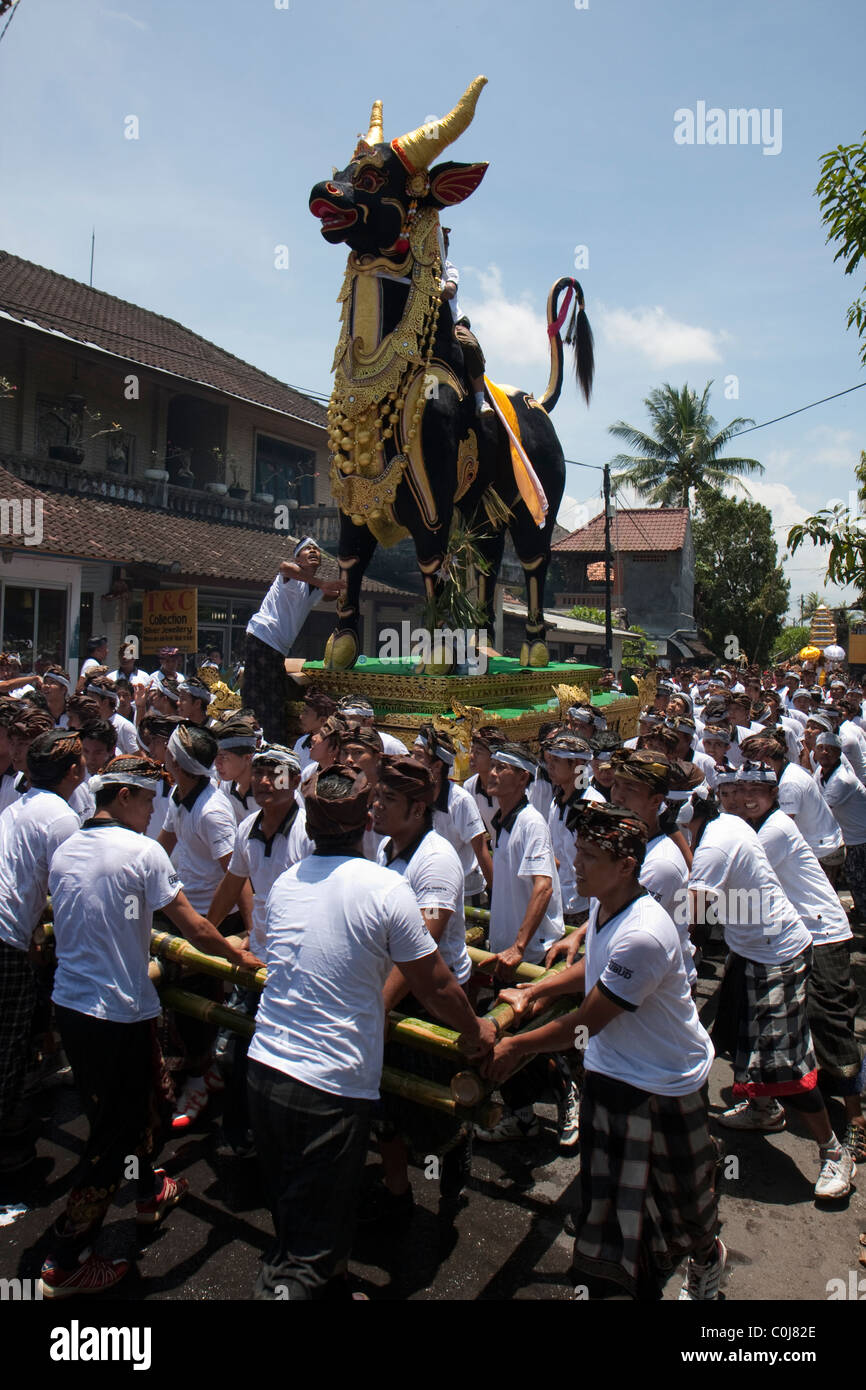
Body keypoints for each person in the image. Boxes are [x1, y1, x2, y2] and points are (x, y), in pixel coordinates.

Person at [246, 763, 494, 1299]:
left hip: (265, 1066)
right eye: (373, 802)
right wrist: (478, 1030)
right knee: (309, 1246)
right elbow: (432, 981)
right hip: (329, 1079)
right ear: (363, 820)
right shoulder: (383, 882)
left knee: (297, 1205)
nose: (380, 809)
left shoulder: (289, 882)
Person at [39, 754, 261, 1299]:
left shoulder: (67, 850)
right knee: (116, 1136)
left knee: (141, 1111)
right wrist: (238, 955)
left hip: (72, 1007)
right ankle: (66, 1261)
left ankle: (145, 1193)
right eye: (147, 802)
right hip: (117, 1013)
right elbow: (196, 925)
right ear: (126, 798)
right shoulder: (141, 853)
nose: (152, 813)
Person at [485, 802, 722, 1301]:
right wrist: (535, 992)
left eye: (589, 856)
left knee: (685, 1207)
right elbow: (595, 961)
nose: (576, 864)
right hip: (611, 1076)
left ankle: (707, 1261)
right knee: (610, 1206)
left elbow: (584, 1025)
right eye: (578, 851)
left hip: (664, 1084)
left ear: (625, 866)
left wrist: (515, 1045)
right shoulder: (605, 903)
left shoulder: (644, 934)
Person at [687, 787, 854, 1199]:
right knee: (739, 1036)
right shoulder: (721, 826)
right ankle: (764, 1109)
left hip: (776, 953)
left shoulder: (713, 846)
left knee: (786, 1064)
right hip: (750, 947)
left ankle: (834, 1152)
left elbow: (695, 917)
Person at [732, 762, 865, 1163]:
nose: (749, 795)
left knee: (829, 1023)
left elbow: (735, 885)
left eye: (759, 788)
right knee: (781, 1022)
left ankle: (857, 1121)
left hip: (821, 933)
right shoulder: (755, 827)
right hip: (792, 936)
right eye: (743, 788)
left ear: (774, 795)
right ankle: (766, 1104)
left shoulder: (772, 830)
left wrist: (692, 906)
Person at [368, 755, 474, 1217]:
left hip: (432, 995)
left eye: (387, 799)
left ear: (417, 810)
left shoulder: (435, 861)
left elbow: (422, 946)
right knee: (386, 1103)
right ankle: (395, 1188)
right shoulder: (385, 849)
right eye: (376, 795)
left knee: (437, 1107)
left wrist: (376, 1010)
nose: (374, 806)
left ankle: (454, 1165)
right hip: (390, 990)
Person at [0, 730, 83, 1172]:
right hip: (5, 937)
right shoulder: (61, 819)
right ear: (73, 772)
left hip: (11, 929)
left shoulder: (20, 807)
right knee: (5, 1047)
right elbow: (72, 890)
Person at [157, 722, 242, 1127]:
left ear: (176, 760)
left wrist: (209, 929)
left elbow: (237, 877)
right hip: (182, 910)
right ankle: (190, 1064)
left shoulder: (212, 811)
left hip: (211, 917)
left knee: (197, 1003)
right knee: (171, 993)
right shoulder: (181, 793)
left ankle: (202, 1073)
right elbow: (164, 846)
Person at [243, 538, 343, 742]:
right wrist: (324, 584)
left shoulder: (314, 588)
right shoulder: (291, 575)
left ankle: (266, 741)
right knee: (263, 700)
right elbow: (285, 567)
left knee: (273, 697)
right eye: (307, 549)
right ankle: (259, 741)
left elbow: (329, 595)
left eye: (316, 549)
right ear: (298, 558)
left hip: (276, 648)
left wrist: (343, 588)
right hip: (263, 637)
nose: (314, 551)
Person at [813, 730, 866, 920]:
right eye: (821, 749)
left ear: (838, 754)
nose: (825, 753)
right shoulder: (820, 772)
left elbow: (822, 808)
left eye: (831, 749)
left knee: (860, 883)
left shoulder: (842, 779)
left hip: (860, 839)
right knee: (855, 882)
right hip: (849, 837)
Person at [440, 226, 490, 415]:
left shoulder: (449, 268)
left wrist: (432, 286)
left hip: (453, 324)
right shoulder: (415, 269)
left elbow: (450, 290)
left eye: (444, 243)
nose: (441, 247)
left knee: (469, 345)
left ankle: (480, 400)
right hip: (424, 325)